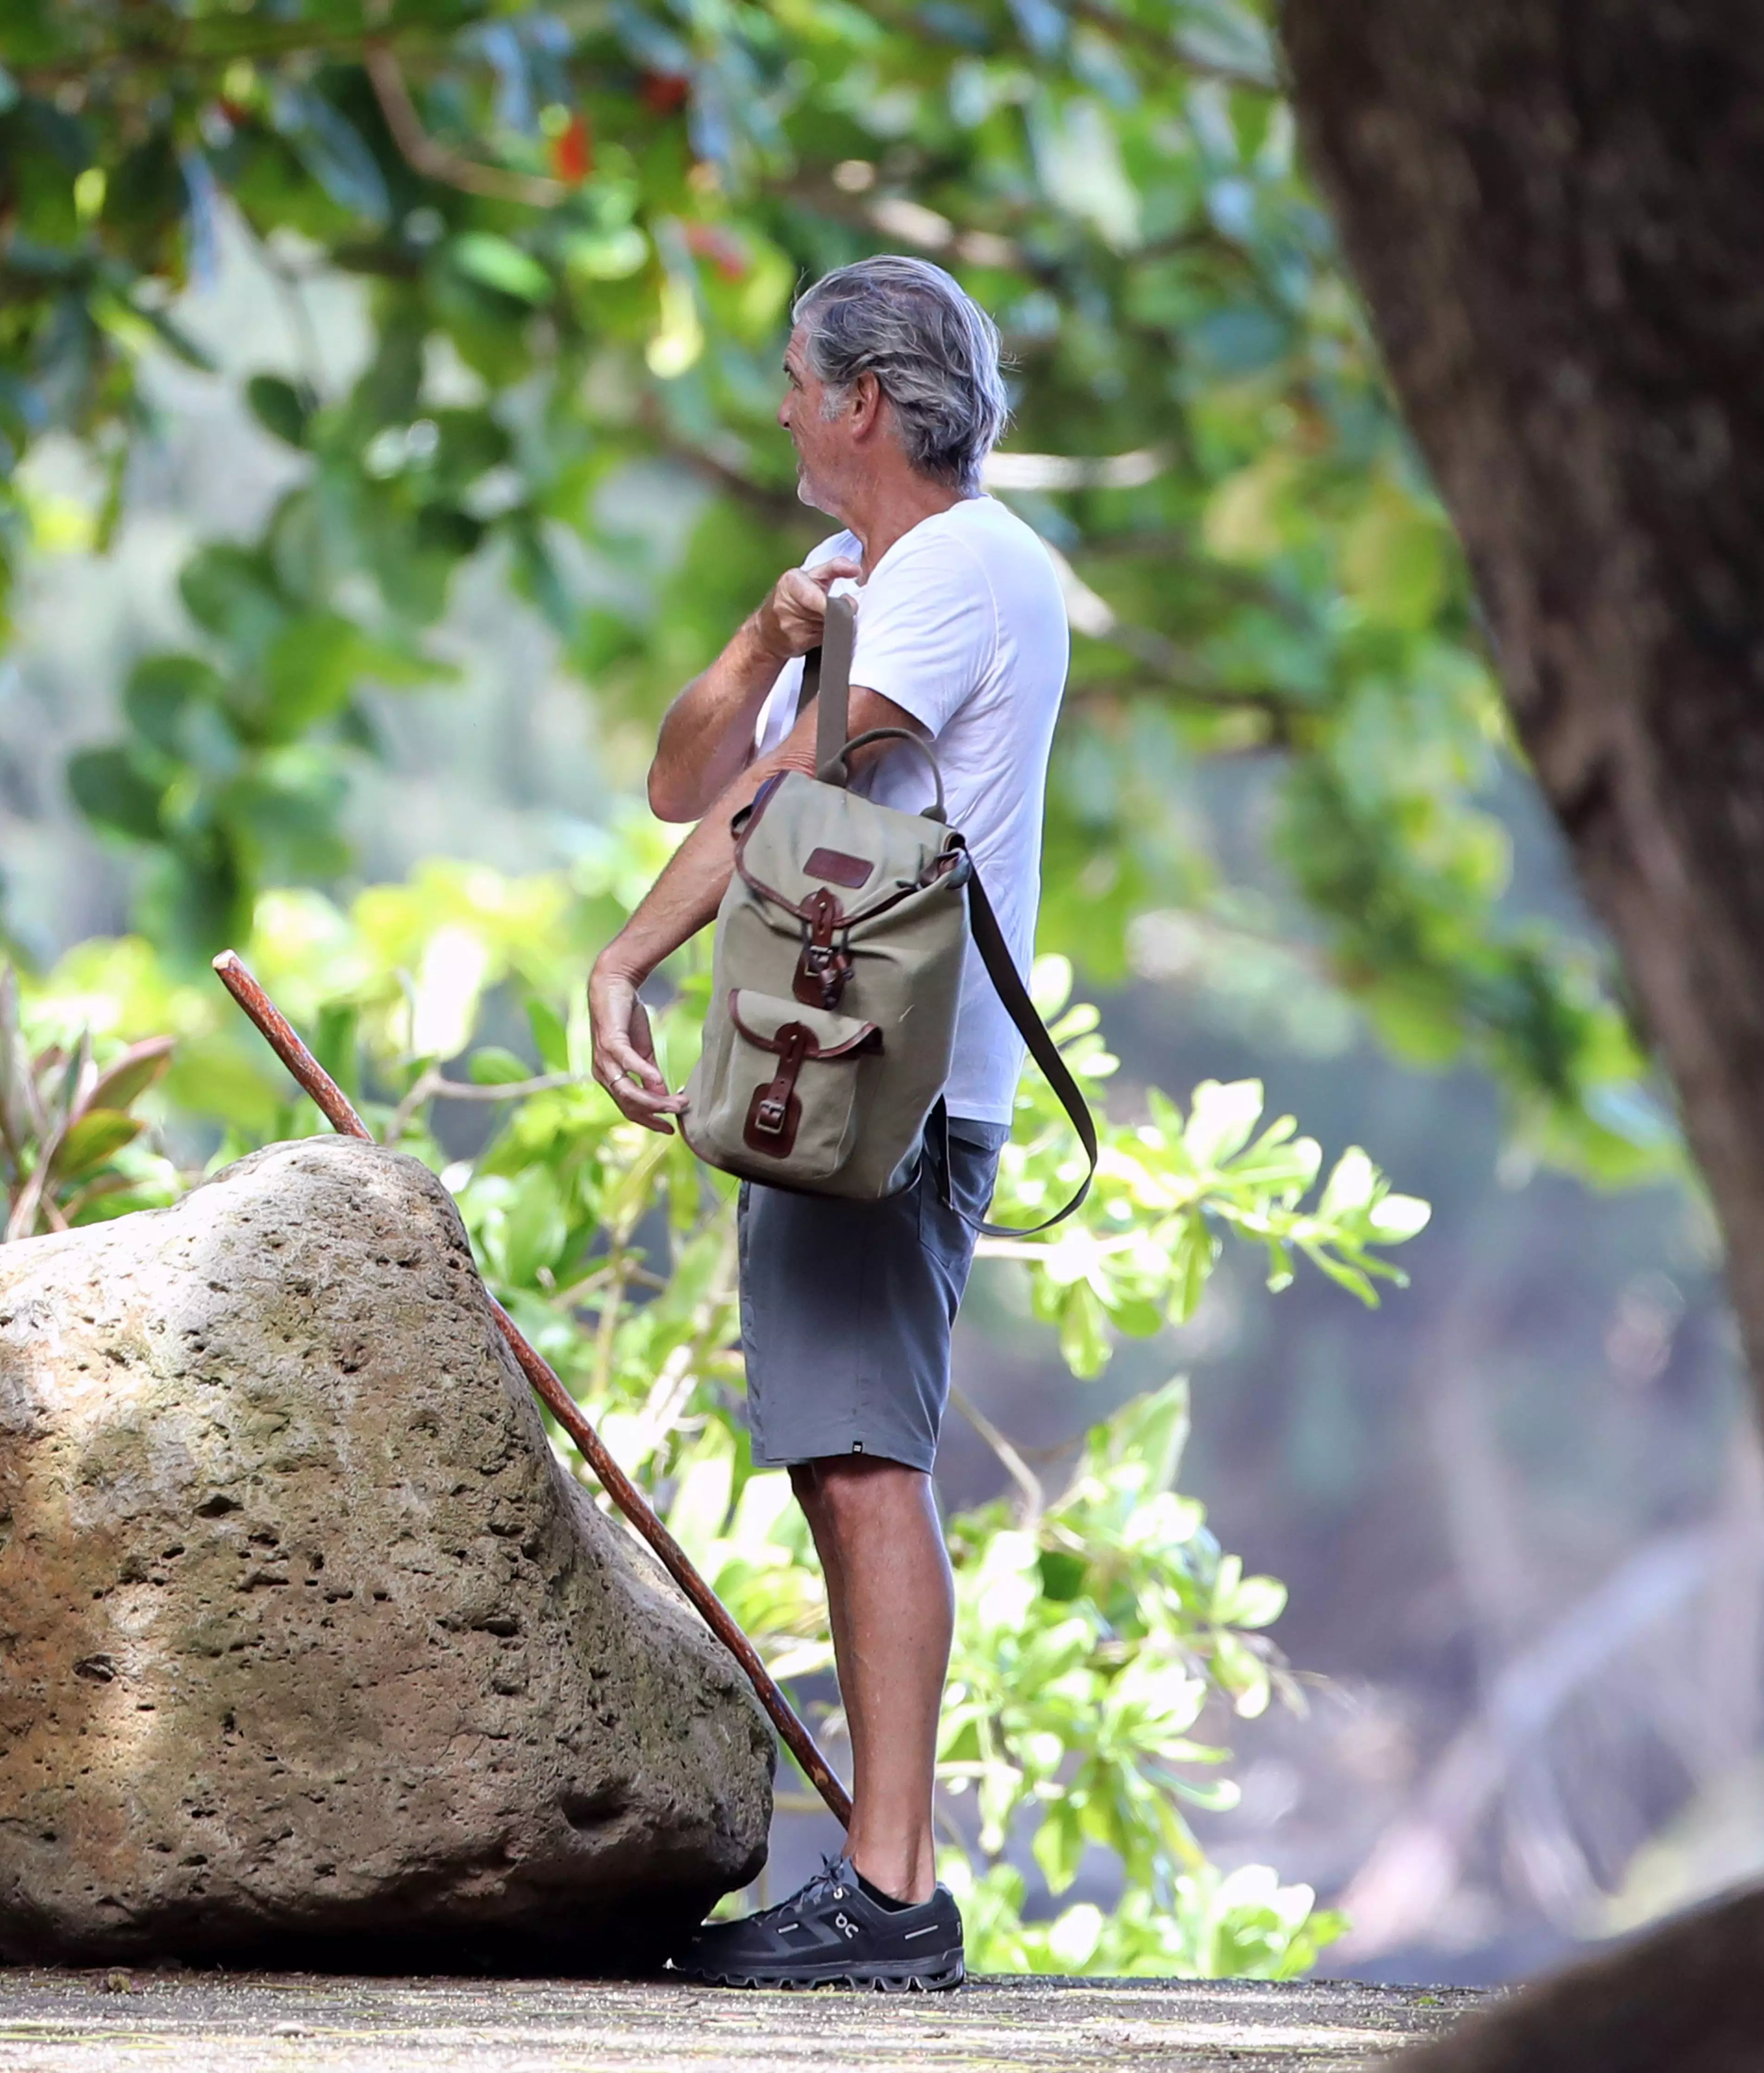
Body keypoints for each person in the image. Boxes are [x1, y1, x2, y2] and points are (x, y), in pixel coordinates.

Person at [585, 254, 1070, 1991]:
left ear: (864, 399)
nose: (782, 405)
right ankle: (885, 1880)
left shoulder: (956, 575)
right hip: (839, 1057)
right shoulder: (886, 580)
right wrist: (767, 634)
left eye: (798, 377)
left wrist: (627, 959)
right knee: (843, 1447)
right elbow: (684, 780)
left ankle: (888, 1891)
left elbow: (788, 795)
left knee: (867, 1461)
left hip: (890, 1074)